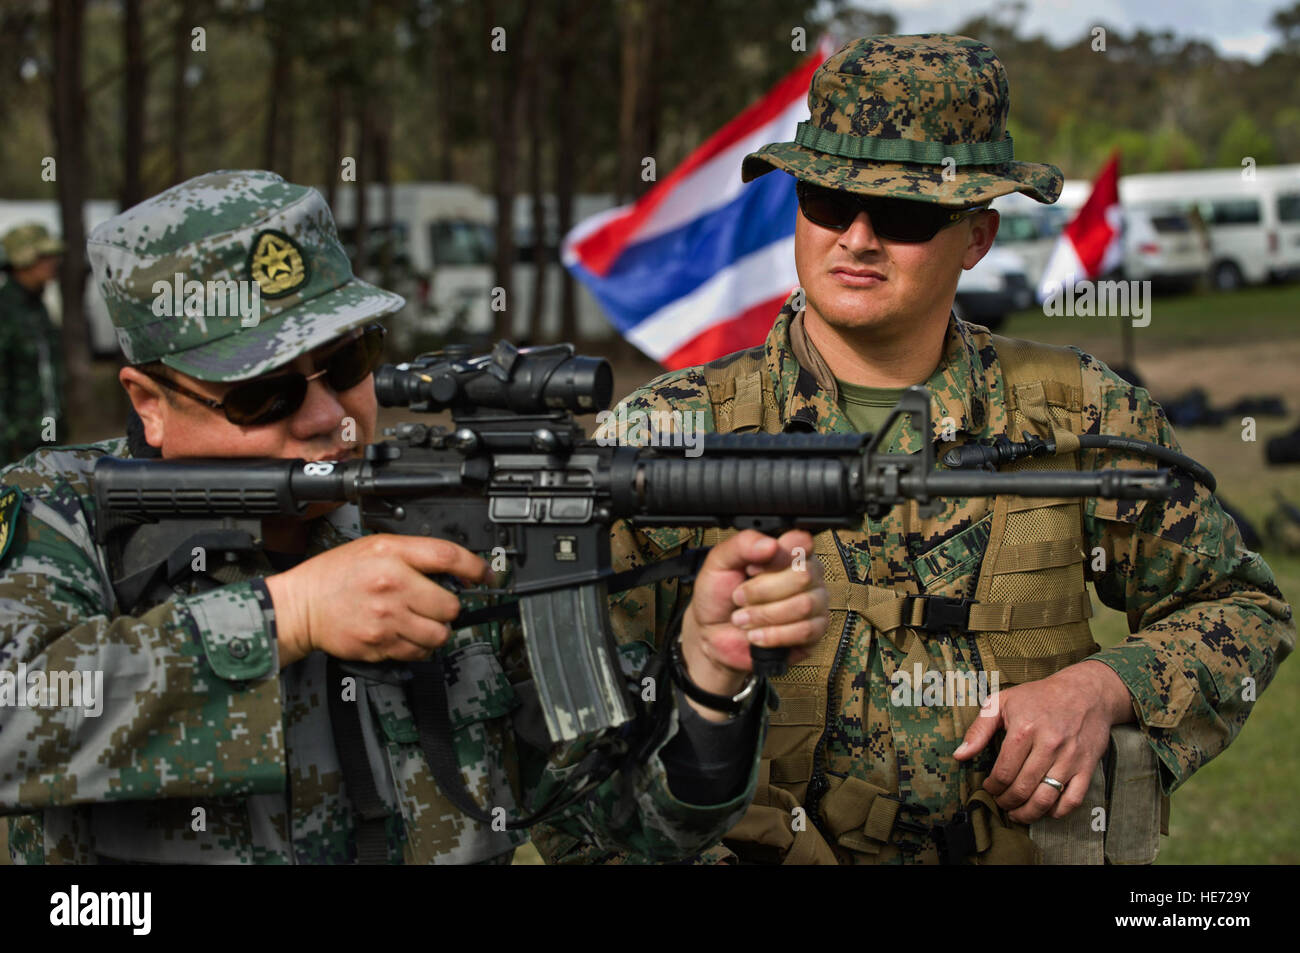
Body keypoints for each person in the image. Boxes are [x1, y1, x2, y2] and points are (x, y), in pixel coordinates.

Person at [537, 34, 1295, 865]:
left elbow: (1241, 609)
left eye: (902, 214)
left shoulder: (1079, 413)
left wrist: (1101, 689)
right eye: (828, 200)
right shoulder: (668, 435)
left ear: (976, 237)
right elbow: (572, 765)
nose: (856, 238)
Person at [0, 169, 828, 864]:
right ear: (150, 402)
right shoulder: (63, 511)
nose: (329, 416)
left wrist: (709, 684)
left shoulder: (441, 516)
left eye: (349, 363)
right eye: (266, 393)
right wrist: (286, 614)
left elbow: (625, 826)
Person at [0, 223, 65, 462]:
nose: (53, 262)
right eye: (44, 256)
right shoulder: (5, 310)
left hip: (46, 433)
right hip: (14, 444)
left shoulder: (38, 308)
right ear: (22, 260)